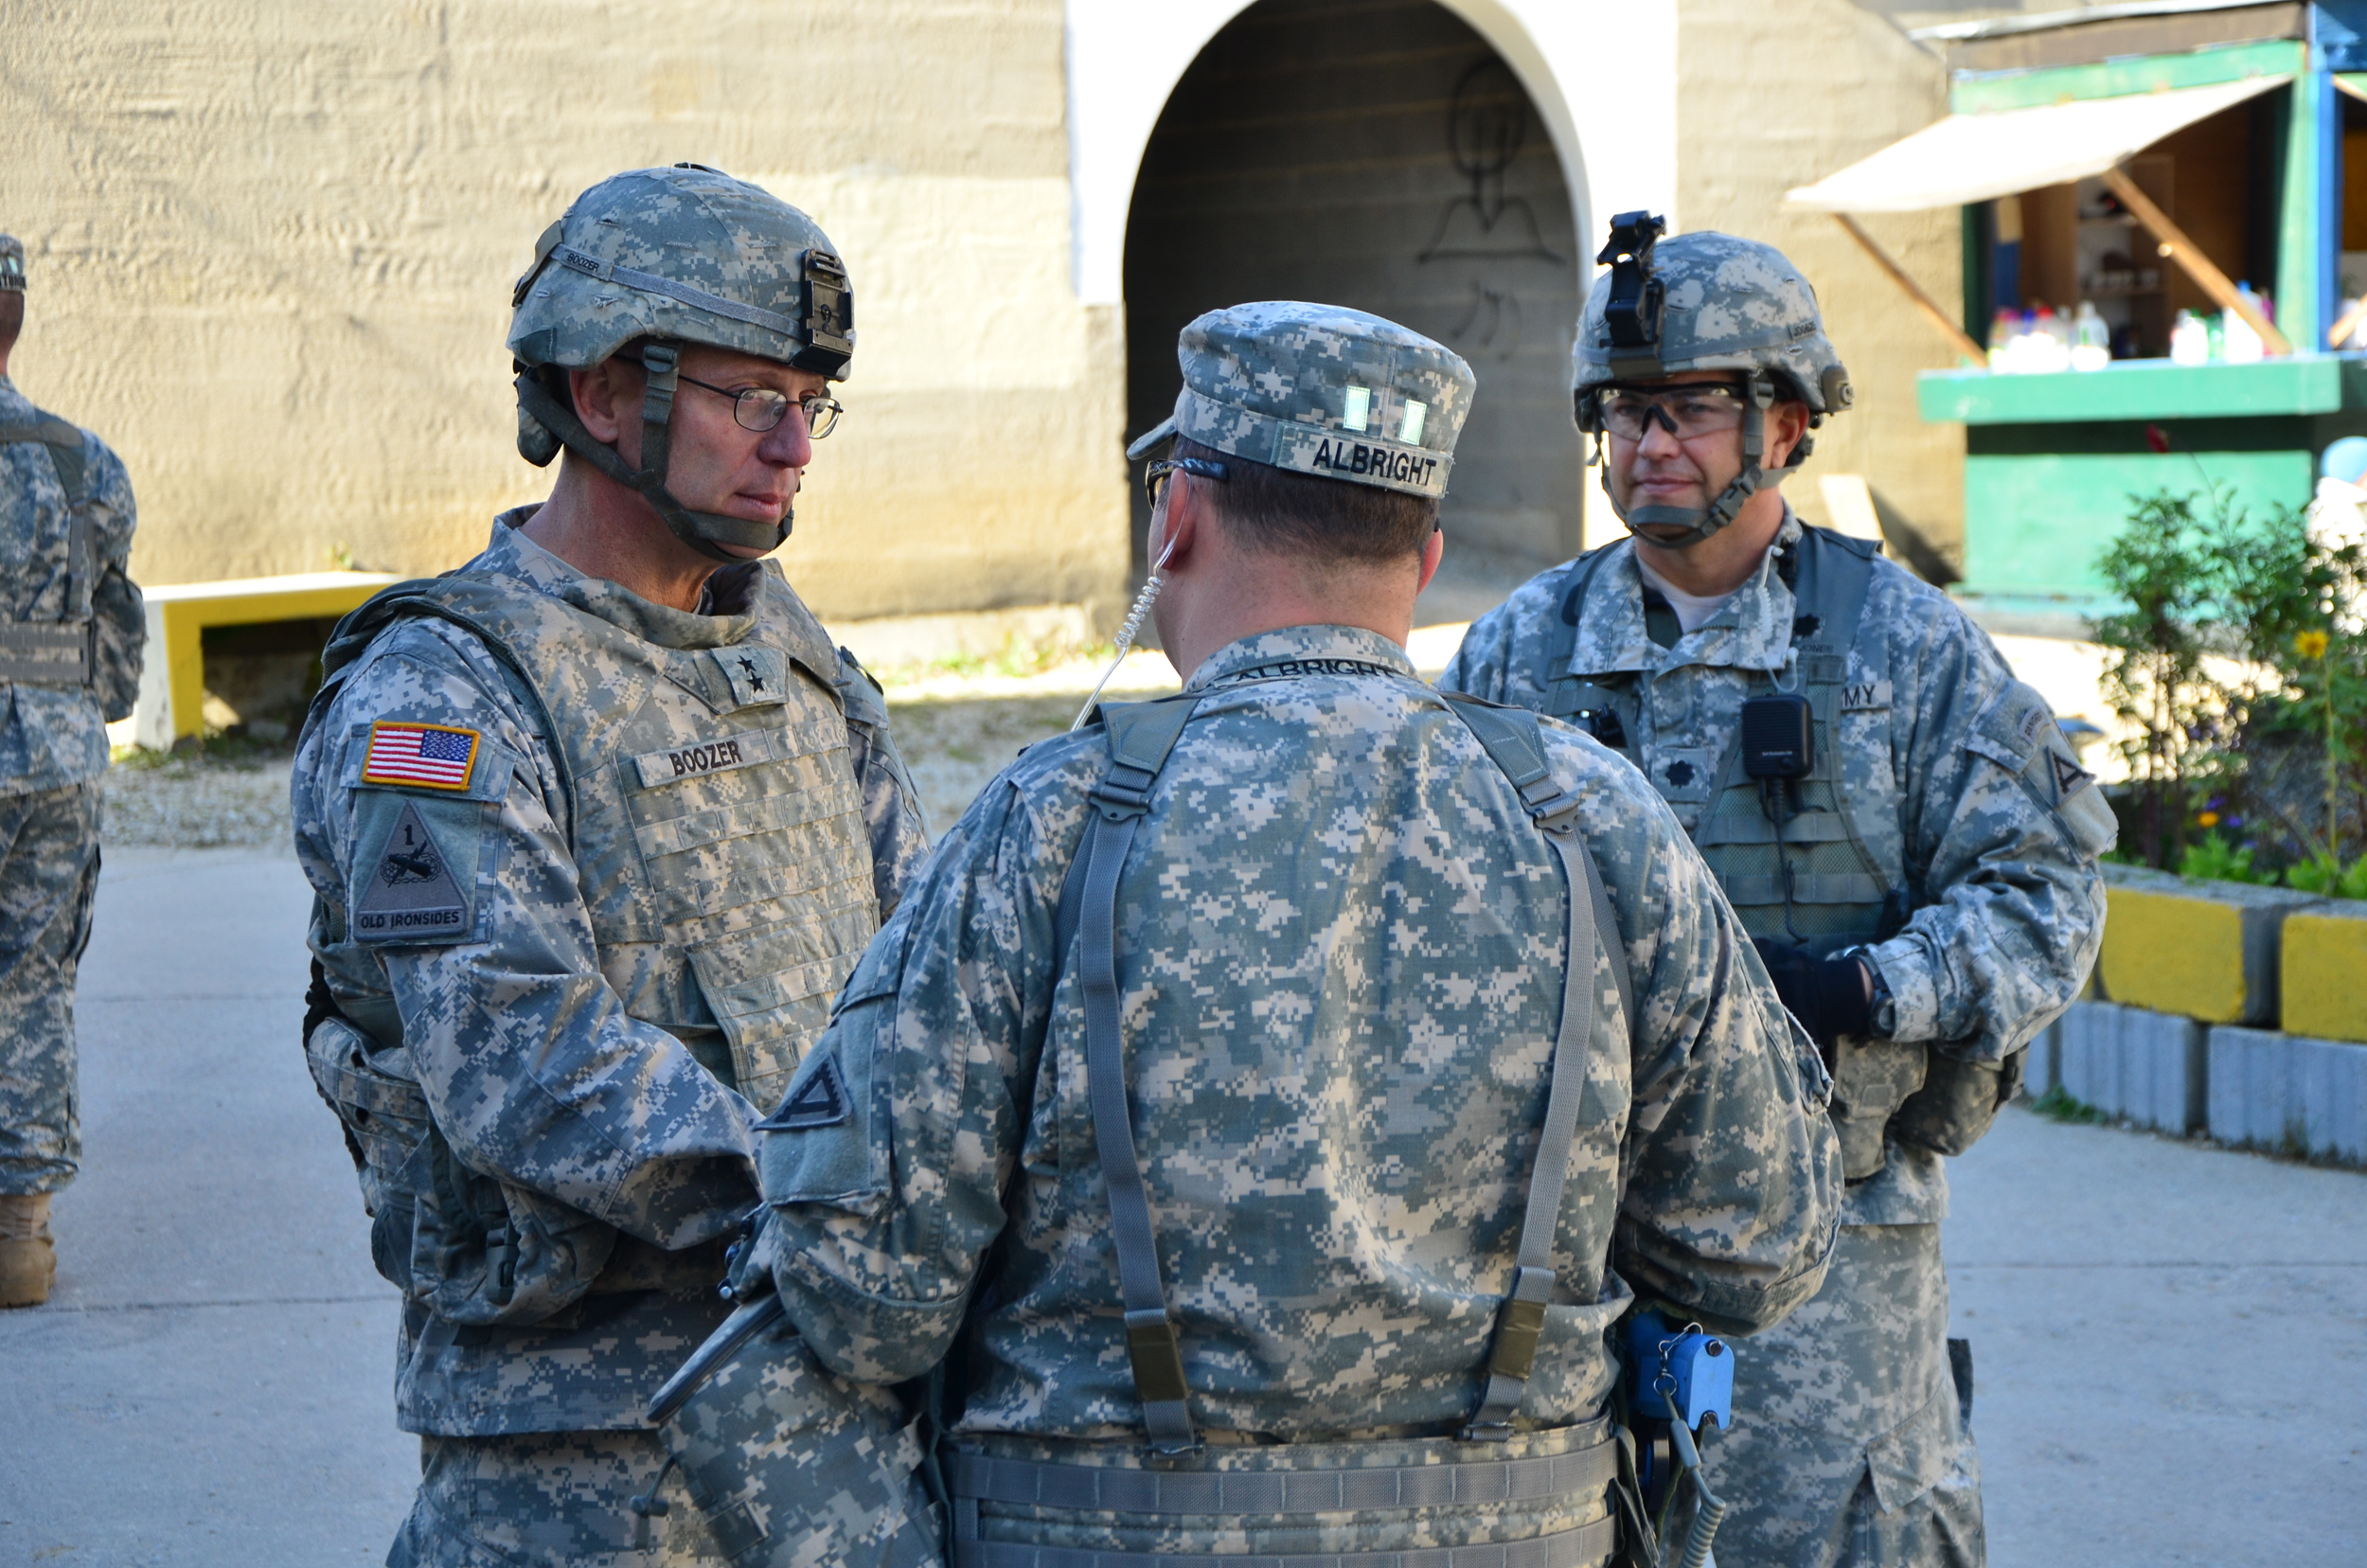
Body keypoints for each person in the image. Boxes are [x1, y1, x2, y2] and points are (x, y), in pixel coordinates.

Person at [653, 300, 1842, 1567]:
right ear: (1425, 555)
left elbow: (863, 1293)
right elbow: (1759, 1244)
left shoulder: (1051, 823)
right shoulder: (1593, 819)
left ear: (1179, 518)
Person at [1439, 217, 2116, 1567]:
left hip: (1836, 1251)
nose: (1648, 444)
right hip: (1571, 1251)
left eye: (1688, 408)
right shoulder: (1521, 652)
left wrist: (1870, 987)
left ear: (1788, 423)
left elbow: (2044, 894)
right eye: (1625, 412)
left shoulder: (1905, 652)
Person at [290, 165, 929, 1567]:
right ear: (600, 397)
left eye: (810, 405)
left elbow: (919, 969)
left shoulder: (790, 656)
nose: (796, 447)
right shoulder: (440, 701)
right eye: (753, 398)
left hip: (826, 1428)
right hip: (573, 1464)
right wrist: (836, 1213)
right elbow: (517, 1054)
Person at [0, 232, 145, 1310]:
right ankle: (22, 1234)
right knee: (33, 980)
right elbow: (117, 632)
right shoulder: (84, 461)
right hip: (56, 750)